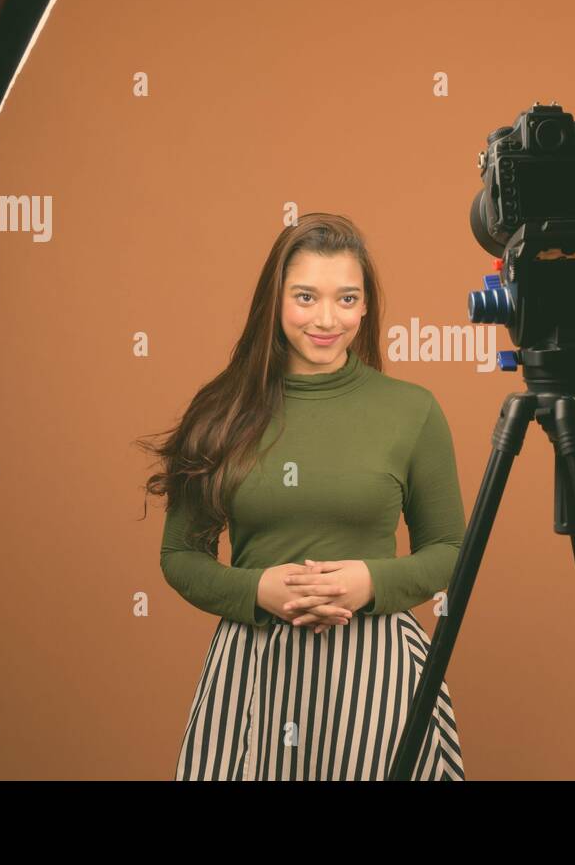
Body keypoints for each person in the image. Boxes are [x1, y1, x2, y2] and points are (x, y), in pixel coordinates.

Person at [137, 213, 466, 780]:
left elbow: (451, 548)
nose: (325, 319)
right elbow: (180, 557)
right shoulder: (221, 407)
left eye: (346, 299)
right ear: (276, 301)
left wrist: (371, 582)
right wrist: (255, 588)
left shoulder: (411, 410)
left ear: (365, 308)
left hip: (377, 671)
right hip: (254, 668)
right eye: (306, 296)